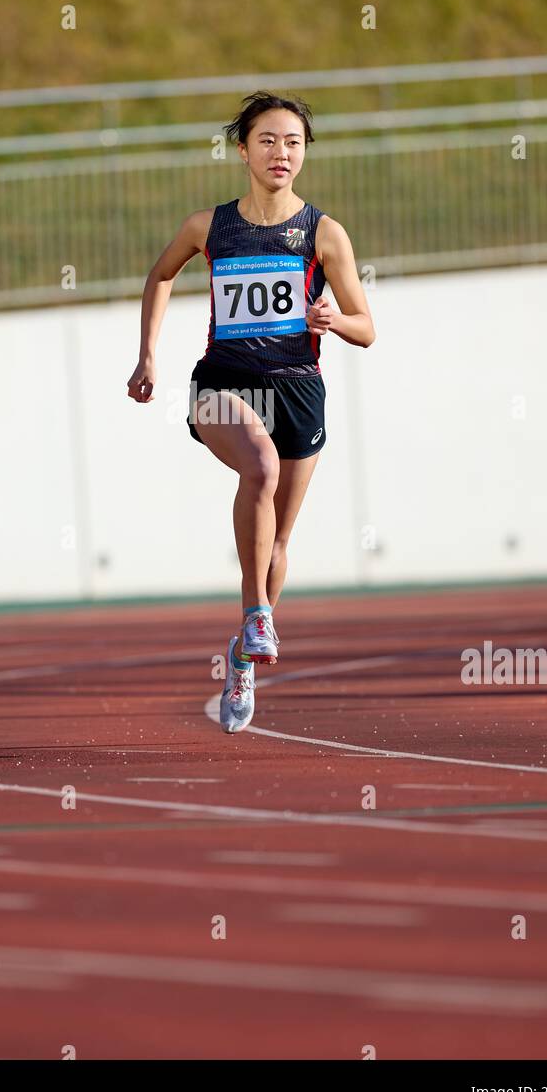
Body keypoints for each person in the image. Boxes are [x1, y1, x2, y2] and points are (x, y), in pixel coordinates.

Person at [127, 92, 375, 732]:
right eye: (267, 140)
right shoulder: (208, 227)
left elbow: (368, 327)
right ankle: (254, 615)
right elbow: (159, 276)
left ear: (304, 153)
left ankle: (241, 655)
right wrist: (148, 356)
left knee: (280, 543)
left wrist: (334, 319)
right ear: (242, 149)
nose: (280, 153)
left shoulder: (324, 233)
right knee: (259, 468)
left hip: (298, 388)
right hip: (225, 383)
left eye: (292, 142)